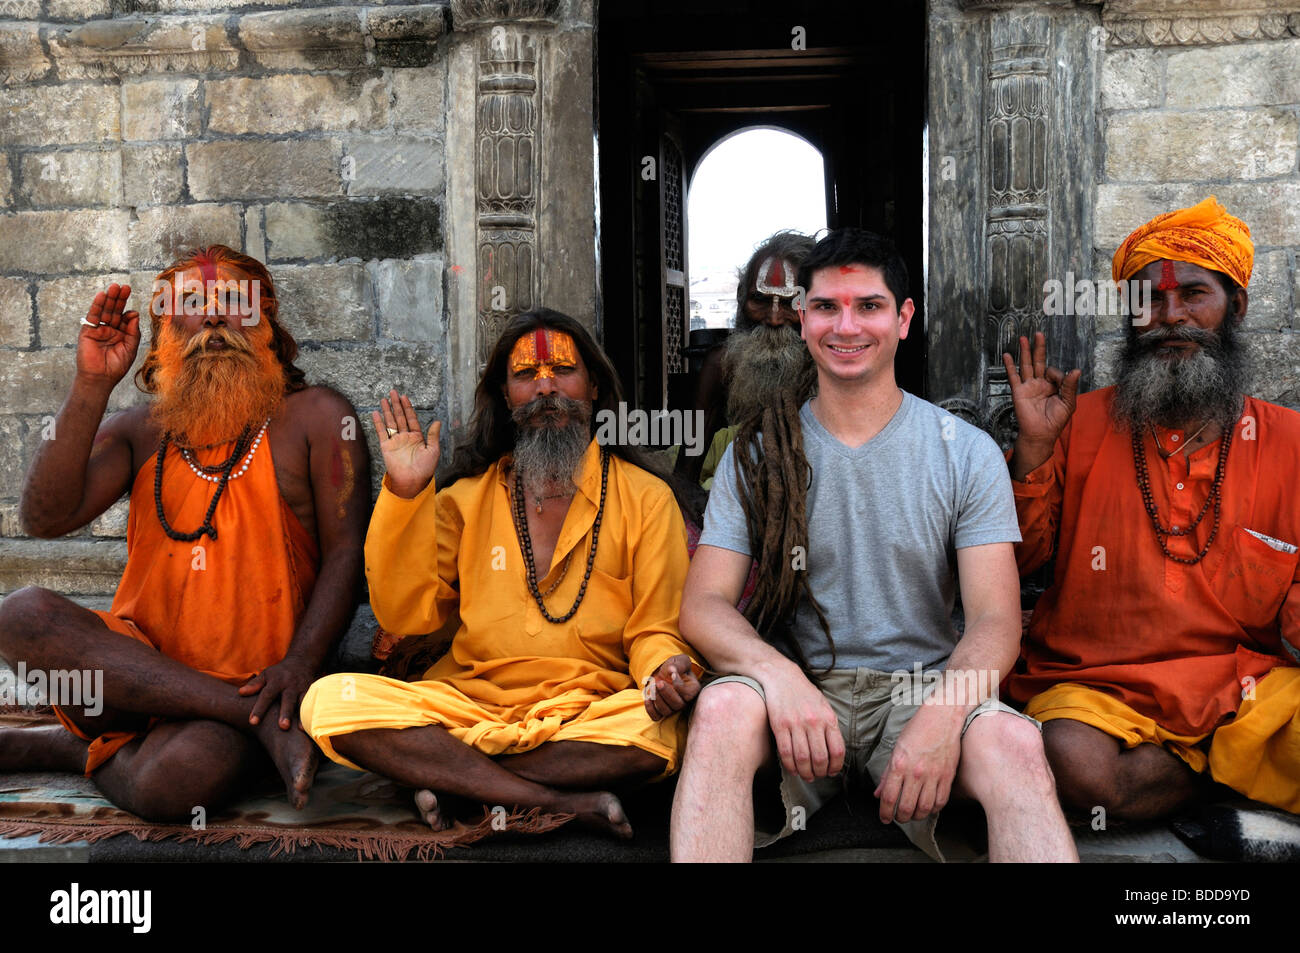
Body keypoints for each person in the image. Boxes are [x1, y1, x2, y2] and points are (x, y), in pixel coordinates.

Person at [671, 227, 1077, 862]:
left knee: (1017, 747)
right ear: (803, 318)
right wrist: (779, 677)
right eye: (827, 306)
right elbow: (704, 607)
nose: (846, 326)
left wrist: (944, 716)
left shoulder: (964, 453)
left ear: (903, 318)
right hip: (802, 689)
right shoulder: (756, 450)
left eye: (869, 306)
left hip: (922, 688)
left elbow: (996, 620)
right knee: (721, 713)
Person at [300, 309, 701, 837]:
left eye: (562, 370)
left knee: (655, 734)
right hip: (469, 703)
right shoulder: (464, 499)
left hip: (590, 708)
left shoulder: (646, 499)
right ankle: (557, 801)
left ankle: (458, 780)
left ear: (595, 386)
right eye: (525, 376)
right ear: (506, 397)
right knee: (329, 702)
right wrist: (404, 492)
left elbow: (655, 627)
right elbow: (405, 612)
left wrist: (663, 672)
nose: (545, 388)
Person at [0, 246, 369, 817]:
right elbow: (43, 519)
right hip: (130, 678)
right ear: (165, 332)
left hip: (257, 684)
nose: (216, 317)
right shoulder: (139, 432)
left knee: (175, 781)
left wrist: (298, 667)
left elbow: (348, 555)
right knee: (19, 613)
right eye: (193, 305)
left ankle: (71, 750)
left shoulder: (318, 416)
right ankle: (248, 722)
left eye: (236, 304)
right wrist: (92, 383)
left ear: (267, 325)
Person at [1004, 196, 1300, 818]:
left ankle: (1219, 771)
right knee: (1073, 769)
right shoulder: (1075, 423)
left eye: (1194, 294)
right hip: (1098, 682)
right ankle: (1232, 776)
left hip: (1242, 682)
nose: (1171, 317)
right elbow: (1020, 562)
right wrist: (1033, 449)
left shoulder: (1291, 443)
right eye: (1150, 302)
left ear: (1235, 307)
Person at [676, 231, 815, 487]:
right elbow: (685, 473)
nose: (773, 319)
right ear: (742, 297)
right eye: (760, 300)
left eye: (790, 303)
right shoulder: (722, 365)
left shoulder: (832, 366)